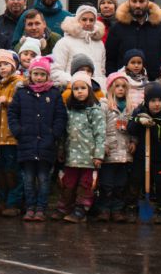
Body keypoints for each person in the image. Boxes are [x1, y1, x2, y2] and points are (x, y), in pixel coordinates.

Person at [7, 56, 67, 221]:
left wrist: (54, 133)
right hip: (26, 142)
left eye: (42, 74)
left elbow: (60, 116)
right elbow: (12, 113)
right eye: (36, 74)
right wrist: (18, 131)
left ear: (47, 75)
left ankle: (41, 207)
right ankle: (30, 206)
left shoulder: (54, 94)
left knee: (43, 177)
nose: (39, 77)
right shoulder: (21, 93)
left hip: (46, 144)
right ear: (30, 74)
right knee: (27, 178)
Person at [56, 71, 106, 223]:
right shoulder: (69, 110)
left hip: (88, 158)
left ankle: (81, 210)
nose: (79, 92)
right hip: (71, 156)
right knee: (68, 183)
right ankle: (65, 207)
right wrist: (61, 150)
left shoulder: (94, 110)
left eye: (83, 88)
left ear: (89, 90)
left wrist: (99, 155)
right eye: (76, 89)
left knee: (85, 185)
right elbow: (64, 133)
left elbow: (100, 134)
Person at [129, 82, 161, 224]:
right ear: (147, 101)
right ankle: (132, 207)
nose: (156, 104)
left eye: (159, 101)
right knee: (136, 179)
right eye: (153, 101)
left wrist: (153, 126)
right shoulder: (139, 110)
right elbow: (130, 128)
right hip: (142, 154)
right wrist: (138, 121)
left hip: (160, 155)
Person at [106, 0, 161, 79]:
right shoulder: (117, 28)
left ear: (148, 2)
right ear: (129, 1)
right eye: (134, 1)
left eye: (141, 1)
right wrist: (114, 80)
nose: (137, 5)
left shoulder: (160, 28)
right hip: (125, 86)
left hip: (154, 84)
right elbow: (110, 59)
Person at [0, 49, 24, 217]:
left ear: (13, 66)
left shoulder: (19, 83)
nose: (3, 68)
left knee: (13, 171)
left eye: (6, 64)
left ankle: (14, 203)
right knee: (1, 171)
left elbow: (23, 105)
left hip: (12, 137)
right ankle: (2, 201)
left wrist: (8, 101)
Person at [99, 72, 134, 222]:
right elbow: (100, 127)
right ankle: (105, 209)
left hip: (125, 151)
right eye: (117, 86)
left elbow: (134, 127)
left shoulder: (130, 108)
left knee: (120, 183)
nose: (120, 89)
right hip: (109, 150)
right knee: (107, 183)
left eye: (123, 87)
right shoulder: (104, 106)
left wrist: (134, 141)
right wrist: (102, 145)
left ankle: (117, 209)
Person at [50, 5, 107, 87]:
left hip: (97, 93)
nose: (88, 23)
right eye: (84, 19)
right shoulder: (64, 42)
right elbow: (55, 71)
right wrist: (76, 81)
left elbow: (101, 73)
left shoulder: (100, 44)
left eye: (91, 20)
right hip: (73, 92)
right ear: (77, 20)